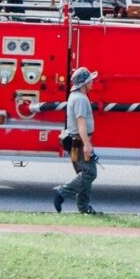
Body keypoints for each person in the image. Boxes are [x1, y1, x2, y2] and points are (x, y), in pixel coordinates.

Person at [44, 67, 100, 214]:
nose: (93, 83)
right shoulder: (81, 99)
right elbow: (81, 123)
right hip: (80, 142)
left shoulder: (74, 97)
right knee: (90, 173)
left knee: (84, 173)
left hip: (75, 141)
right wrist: (87, 144)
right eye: (90, 80)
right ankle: (61, 193)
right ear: (84, 84)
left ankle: (84, 207)